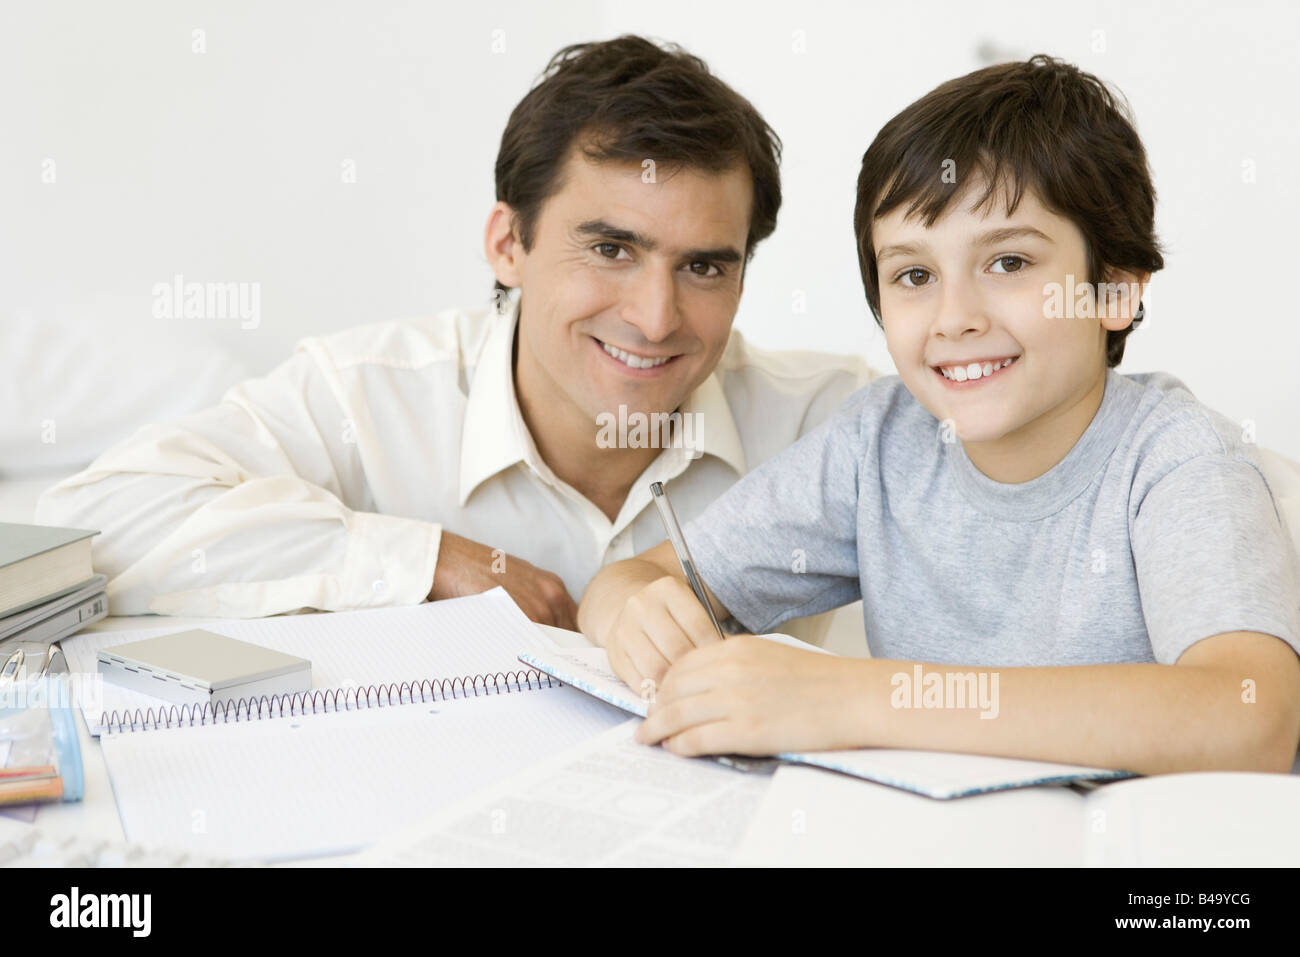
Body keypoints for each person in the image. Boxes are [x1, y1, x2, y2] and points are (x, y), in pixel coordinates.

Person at [578, 55, 1300, 775]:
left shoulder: (1177, 459)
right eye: (915, 275)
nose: (955, 318)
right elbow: (631, 580)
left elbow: (1250, 716)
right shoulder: (879, 446)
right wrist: (630, 615)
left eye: (1010, 262)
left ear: (1112, 290)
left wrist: (855, 699)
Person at [35, 35, 875, 641]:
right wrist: (425, 560)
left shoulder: (824, 421)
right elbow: (88, 524)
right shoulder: (367, 393)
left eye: (702, 268)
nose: (656, 318)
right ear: (509, 245)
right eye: (611, 249)